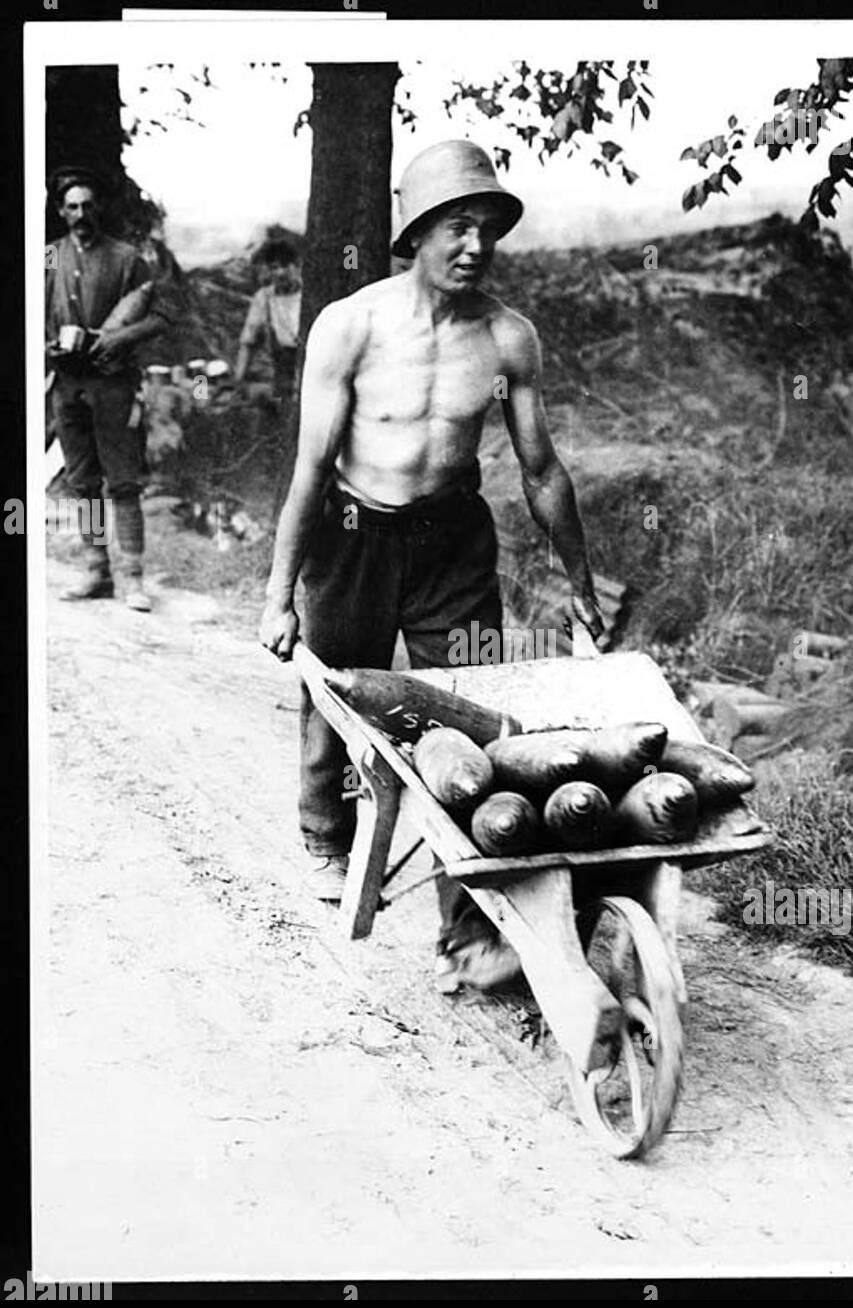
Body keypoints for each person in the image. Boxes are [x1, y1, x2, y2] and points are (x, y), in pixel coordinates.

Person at [259, 139, 603, 973]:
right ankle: (324, 836)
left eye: (486, 228)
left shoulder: (508, 340)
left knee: (466, 719)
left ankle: (471, 924)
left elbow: (541, 469)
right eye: (456, 225)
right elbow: (309, 468)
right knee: (338, 694)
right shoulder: (351, 327)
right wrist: (278, 594)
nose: (474, 245)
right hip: (350, 538)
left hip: (450, 542)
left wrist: (580, 583)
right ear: (414, 232)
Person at [45, 165, 171, 610]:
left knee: (123, 481)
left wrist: (117, 338)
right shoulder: (50, 257)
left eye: (88, 205)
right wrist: (49, 346)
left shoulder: (126, 258)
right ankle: (96, 569)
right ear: (61, 211)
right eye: (72, 207)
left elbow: (161, 316)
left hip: (113, 385)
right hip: (67, 385)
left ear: (99, 208)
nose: (81, 214)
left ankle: (133, 578)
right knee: (83, 483)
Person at [234, 237, 302, 405]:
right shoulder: (264, 298)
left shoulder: (310, 296)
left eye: (286, 266)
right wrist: (237, 381)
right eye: (274, 268)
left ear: (297, 265)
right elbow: (248, 342)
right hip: (282, 373)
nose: (280, 273)